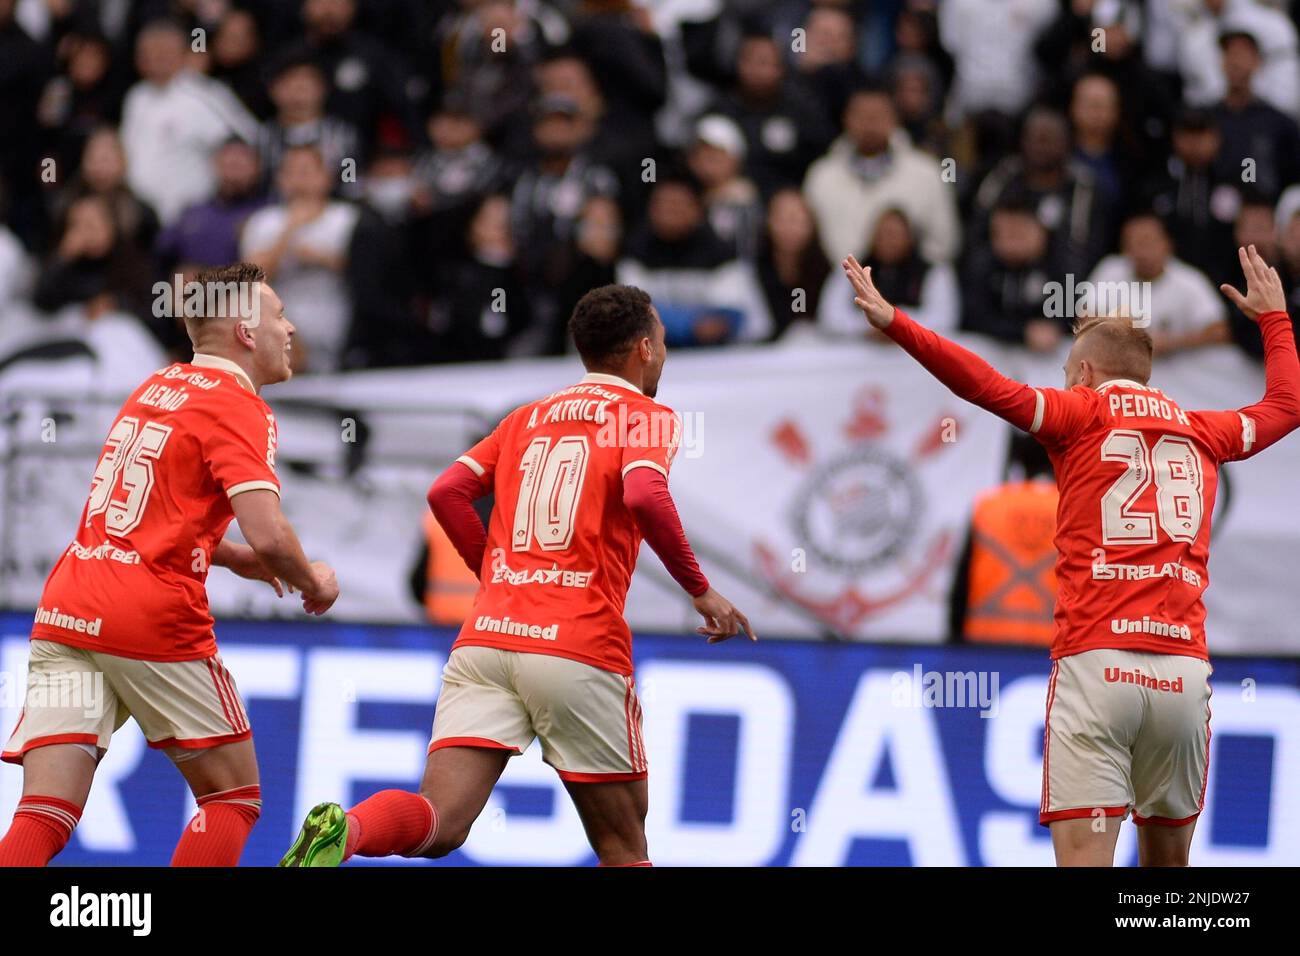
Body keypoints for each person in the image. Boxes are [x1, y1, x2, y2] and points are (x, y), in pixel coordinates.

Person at [839, 245, 1300, 866]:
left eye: (1064, 372)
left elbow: (984, 384)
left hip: (1098, 665)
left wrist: (897, 322)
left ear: (1083, 375)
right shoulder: (1203, 428)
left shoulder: (1079, 414)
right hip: (1183, 675)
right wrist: (1276, 320)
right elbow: (1288, 406)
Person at [281, 283, 754, 868]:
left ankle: (346, 834)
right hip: (577, 647)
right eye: (661, 340)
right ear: (644, 350)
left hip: (488, 639)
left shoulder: (528, 416)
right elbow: (645, 493)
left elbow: (446, 491)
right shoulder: (646, 416)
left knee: (442, 820)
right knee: (623, 845)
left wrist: (500, 576)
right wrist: (701, 591)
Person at [0, 262, 340, 867]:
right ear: (243, 331)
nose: (289, 328)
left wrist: (231, 559)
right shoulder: (240, 406)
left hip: (69, 604)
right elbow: (268, 532)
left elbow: (146, 518)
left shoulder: (156, 386)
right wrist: (312, 579)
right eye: (279, 314)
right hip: (148, 615)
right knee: (232, 798)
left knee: (44, 812)